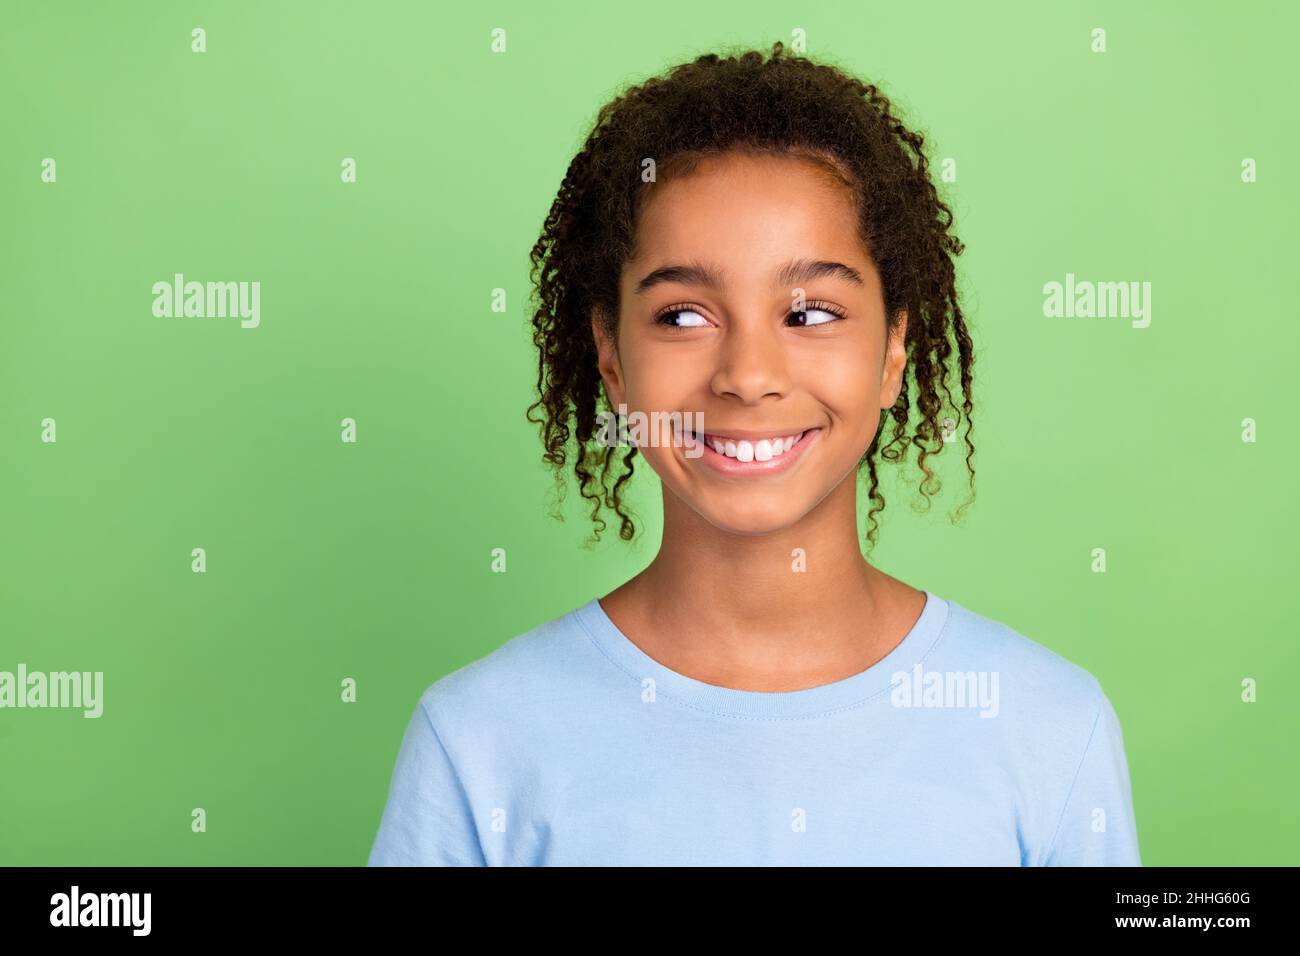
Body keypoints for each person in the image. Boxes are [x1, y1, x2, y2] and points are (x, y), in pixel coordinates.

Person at [368, 41, 1140, 866]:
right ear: (610, 358)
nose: (747, 376)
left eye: (810, 315)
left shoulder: (1047, 727)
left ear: (892, 352)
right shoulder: (479, 743)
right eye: (684, 317)